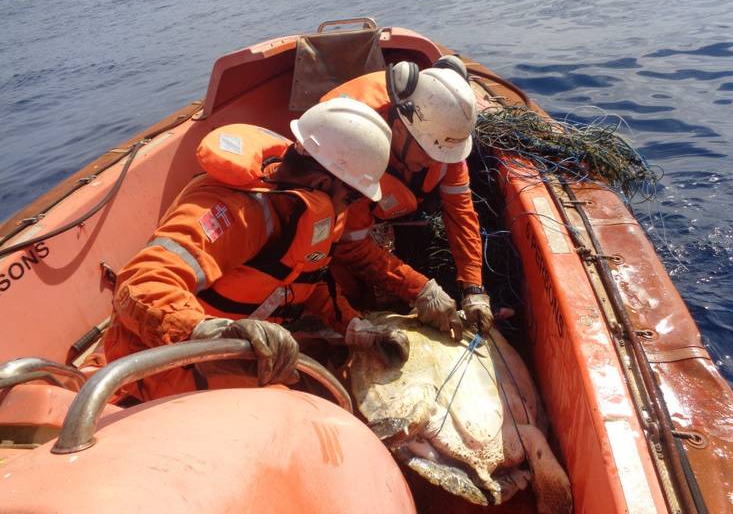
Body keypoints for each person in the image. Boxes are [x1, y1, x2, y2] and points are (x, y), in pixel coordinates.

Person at [104, 98, 408, 401]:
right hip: (160, 373)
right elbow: (140, 283)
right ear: (322, 182)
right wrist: (209, 333)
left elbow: (303, 280)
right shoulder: (232, 211)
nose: (351, 208)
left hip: (243, 358)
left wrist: (353, 325)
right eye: (353, 197)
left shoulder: (306, 213)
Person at [320, 56, 493, 341]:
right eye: (429, 154)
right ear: (399, 130)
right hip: (345, 214)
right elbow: (350, 244)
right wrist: (420, 289)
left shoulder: (442, 142)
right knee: (351, 293)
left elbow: (461, 213)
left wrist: (474, 288)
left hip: (395, 199)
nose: (435, 163)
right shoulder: (353, 146)